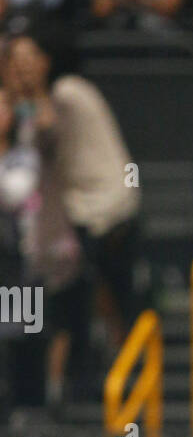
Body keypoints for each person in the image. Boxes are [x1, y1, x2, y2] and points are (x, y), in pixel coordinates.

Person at [5, 32, 140, 361]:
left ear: (45, 61)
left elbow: (48, 129)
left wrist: (23, 95)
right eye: (15, 61)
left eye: (30, 59)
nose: (24, 68)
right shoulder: (21, 111)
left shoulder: (67, 93)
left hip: (93, 213)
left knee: (71, 305)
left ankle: (121, 357)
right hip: (49, 226)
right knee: (41, 312)